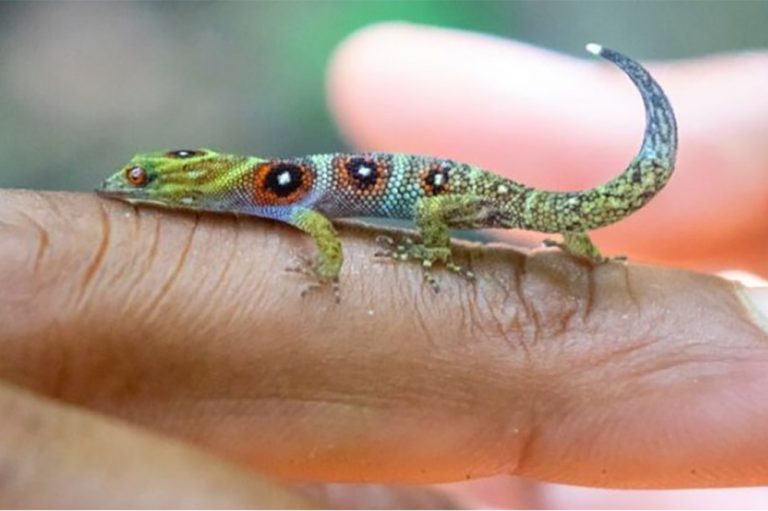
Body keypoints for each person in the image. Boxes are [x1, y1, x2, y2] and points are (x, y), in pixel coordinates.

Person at [1, 23, 767, 508]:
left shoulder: (280, 197)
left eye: (141, 182)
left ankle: (535, 241)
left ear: (188, 183)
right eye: (135, 179)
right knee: (561, 224)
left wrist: (333, 275)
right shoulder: (266, 188)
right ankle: (582, 243)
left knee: (496, 221)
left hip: (459, 198)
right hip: (485, 196)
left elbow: (325, 240)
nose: (123, 190)